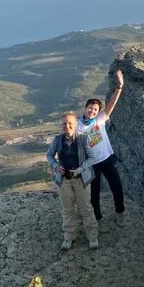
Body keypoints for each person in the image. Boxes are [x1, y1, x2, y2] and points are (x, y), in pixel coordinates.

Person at [77, 69, 126, 232]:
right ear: (85, 108)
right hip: (91, 164)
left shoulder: (100, 119)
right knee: (94, 194)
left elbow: (112, 104)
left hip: (107, 158)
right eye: (90, 108)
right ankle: (98, 219)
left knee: (117, 186)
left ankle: (120, 212)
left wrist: (119, 87)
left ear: (98, 112)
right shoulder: (77, 125)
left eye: (95, 110)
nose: (92, 111)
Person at [46, 112, 100, 251]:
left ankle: (92, 236)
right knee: (67, 209)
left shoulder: (83, 139)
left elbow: (92, 157)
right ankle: (69, 236)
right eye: (64, 124)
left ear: (76, 124)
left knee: (86, 208)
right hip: (64, 180)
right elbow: (49, 155)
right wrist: (55, 166)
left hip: (81, 179)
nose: (67, 126)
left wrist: (80, 169)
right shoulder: (58, 140)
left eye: (70, 123)